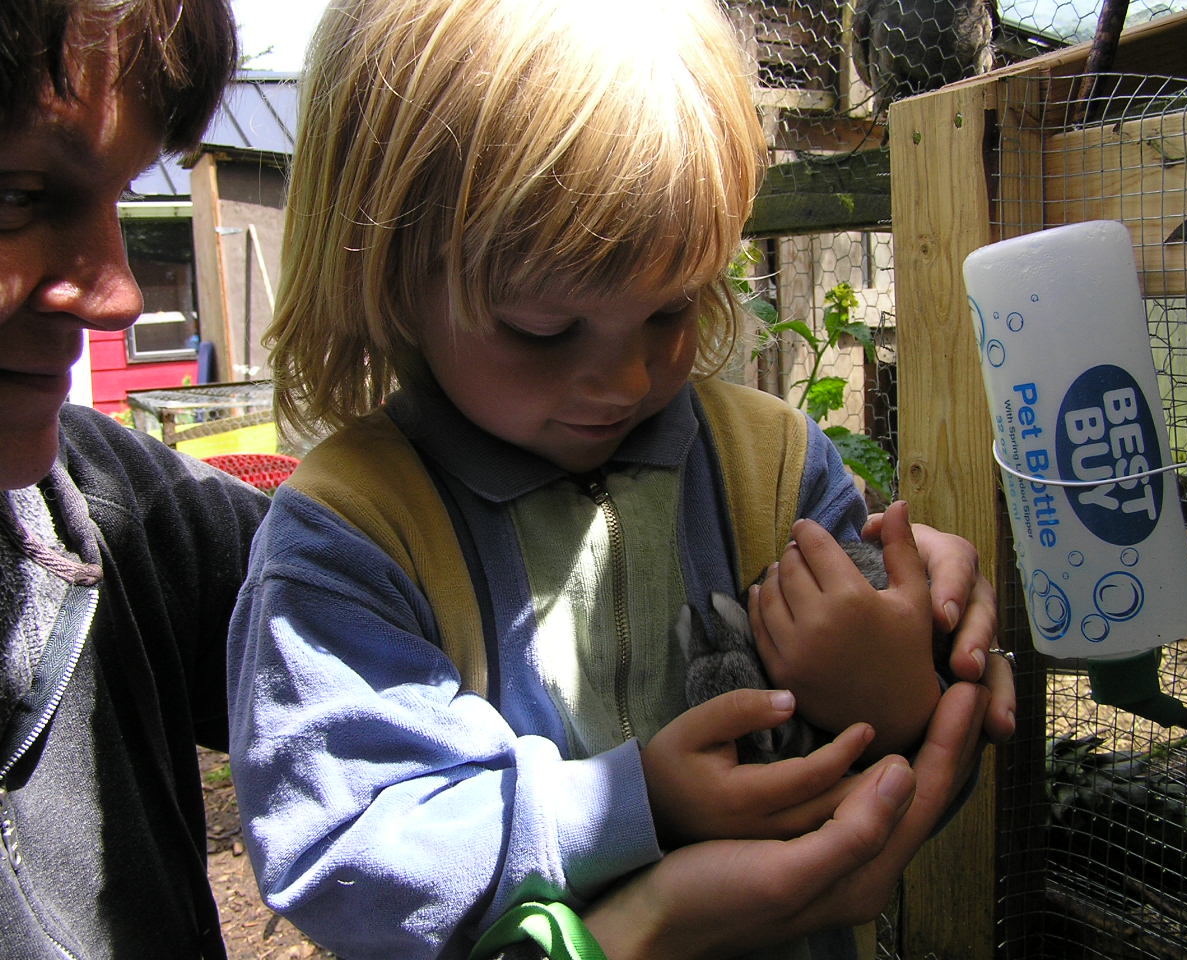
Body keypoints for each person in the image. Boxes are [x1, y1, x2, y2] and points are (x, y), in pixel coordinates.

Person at [227, 0, 1014, 957]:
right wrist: (632, 808)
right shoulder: (356, 532)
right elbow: (342, 850)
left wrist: (895, 696)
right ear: (387, 276)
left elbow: (924, 774)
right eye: (544, 329)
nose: (627, 382)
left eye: (671, 309)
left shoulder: (774, 467)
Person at [0, 2, 268, 957]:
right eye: (17, 194)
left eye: (119, 196)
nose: (118, 293)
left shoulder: (120, 515)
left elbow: (421, 603)